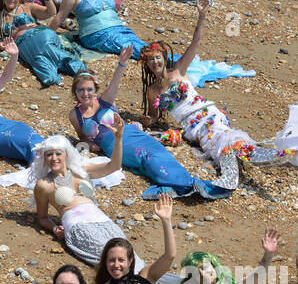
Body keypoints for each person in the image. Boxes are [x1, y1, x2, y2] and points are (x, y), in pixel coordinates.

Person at [140, 0, 295, 189]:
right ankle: (243, 165)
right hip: (190, 126)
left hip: (208, 113)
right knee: (211, 143)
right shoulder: (152, 91)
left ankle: (246, 164)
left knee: (219, 138)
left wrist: (202, 16)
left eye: (157, 58)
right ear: (146, 64)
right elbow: (154, 117)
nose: (155, 62)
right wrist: (149, 121)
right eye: (150, 60)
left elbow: (195, 42)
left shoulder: (179, 70)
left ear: (164, 57)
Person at [69, 56, 219, 198]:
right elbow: (82, 137)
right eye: (80, 90)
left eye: (89, 89)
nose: (85, 93)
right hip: (114, 145)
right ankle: (182, 184)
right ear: (74, 91)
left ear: (95, 90)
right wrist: (90, 144)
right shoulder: (74, 115)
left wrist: (122, 63)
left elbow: (116, 81)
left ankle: (186, 180)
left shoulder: (104, 100)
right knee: (145, 159)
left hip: (131, 133)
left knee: (159, 152)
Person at [27, 130, 126, 264]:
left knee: (126, 254)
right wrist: (55, 229)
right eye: (49, 154)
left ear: (66, 154)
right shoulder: (43, 184)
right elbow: (43, 218)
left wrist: (118, 139)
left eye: (58, 153)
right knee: (110, 260)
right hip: (78, 226)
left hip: (103, 220)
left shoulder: (80, 170)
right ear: (44, 158)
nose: (54, 158)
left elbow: (114, 166)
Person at [0, 0, 84, 88]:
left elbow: (51, 12)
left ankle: (79, 69)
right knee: (39, 61)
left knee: (48, 49)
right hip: (23, 45)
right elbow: (5, 37)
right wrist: (2, 44)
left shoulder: (27, 7)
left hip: (39, 35)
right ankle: (53, 74)